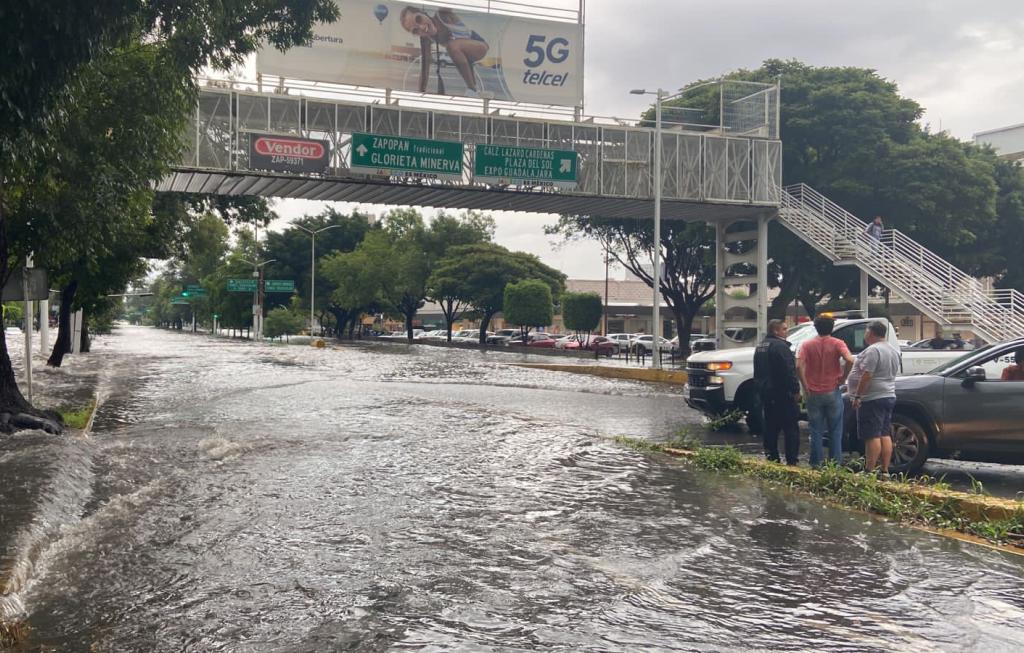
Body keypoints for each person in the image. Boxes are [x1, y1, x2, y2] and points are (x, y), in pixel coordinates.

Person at [796, 316, 855, 467]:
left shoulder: (807, 345)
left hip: (813, 392)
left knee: (816, 429)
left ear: (816, 327)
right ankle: (835, 463)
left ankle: (816, 463)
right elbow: (849, 359)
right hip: (832, 390)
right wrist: (843, 378)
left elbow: (798, 365)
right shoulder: (837, 343)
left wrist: (804, 384)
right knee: (835, 429)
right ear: (832, 327)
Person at [847, 322, 902, 477]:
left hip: (872, 397)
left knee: (871, 435)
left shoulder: (873, 350)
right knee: (884, 433)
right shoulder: (893, 350)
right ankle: (884, 470)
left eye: (866, 331)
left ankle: (869, 470)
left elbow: (867, 375)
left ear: (871, 332)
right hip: (888, 394)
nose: (865, 335)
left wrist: (858, 396)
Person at [400, 6, 488, 96]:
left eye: (419, 19)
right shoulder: (426, 39)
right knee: (452, 48)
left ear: (423, 13)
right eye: (416, 30)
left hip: (478, 44)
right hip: (465, 57)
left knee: (452, 46)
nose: (422, 27)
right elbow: (425, 69)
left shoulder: (442, 15)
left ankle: (472, 90)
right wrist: (421, 94)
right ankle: (474, 90)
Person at [754, 320, 801, 465]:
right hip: (782, 393)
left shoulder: (761, 346)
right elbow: (789, 371)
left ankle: (772, 457)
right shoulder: (781, 347)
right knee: (791, 428)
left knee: (770, 427)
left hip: (766, 393)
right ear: (776, 331)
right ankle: (791, 460)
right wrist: (795, 390)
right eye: (784, 329)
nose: (787, 332)